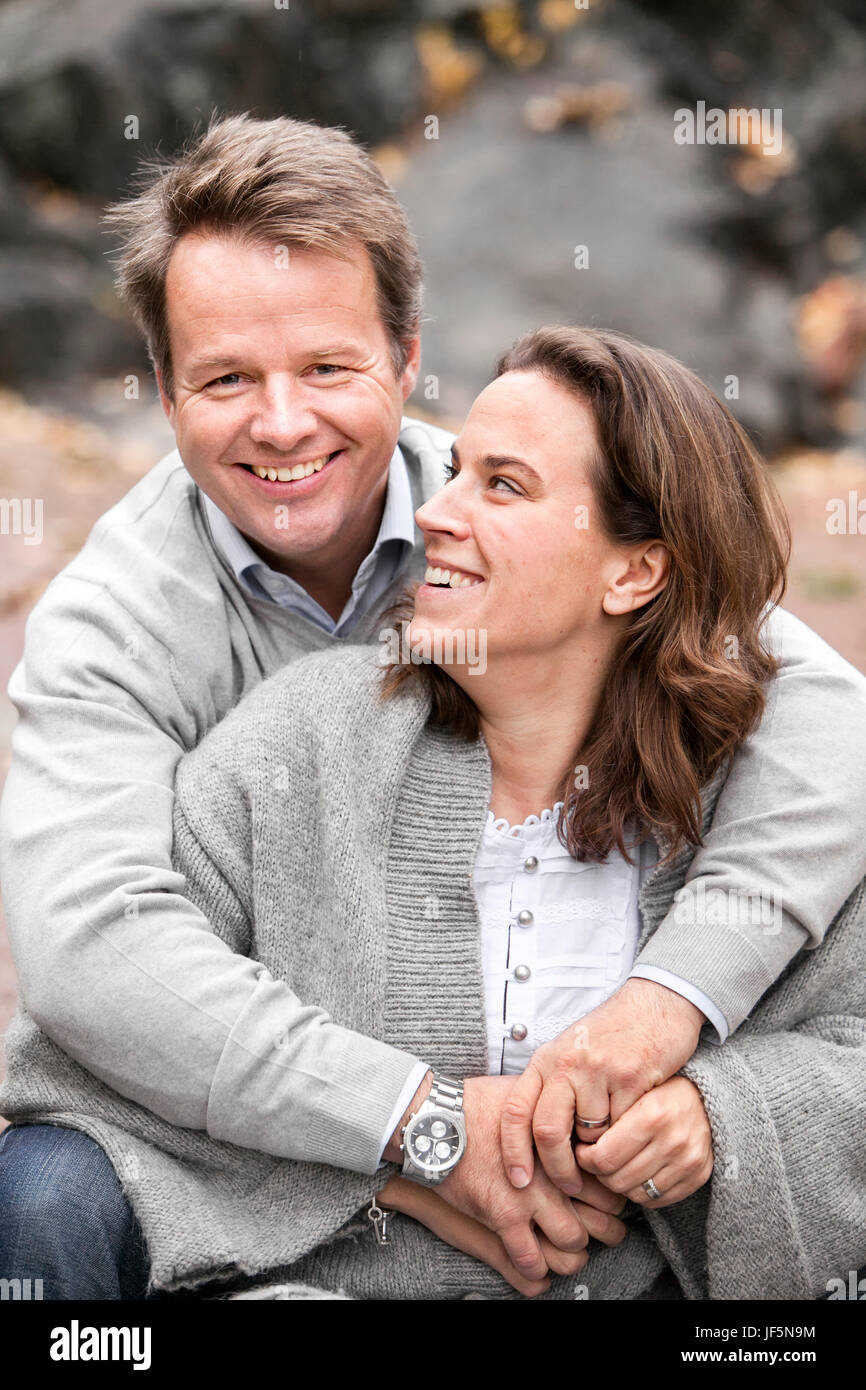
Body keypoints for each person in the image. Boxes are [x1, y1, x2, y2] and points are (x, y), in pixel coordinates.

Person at [0, 114, 865, 1299]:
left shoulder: (503, 520)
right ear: (160, 390)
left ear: (408, 359)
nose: (283, 422)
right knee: (42, 1197)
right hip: (276, 1124)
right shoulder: (114, 628)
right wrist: (416, 1131)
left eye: (327, 367)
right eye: (224, 378)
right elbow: (93, 958)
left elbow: (814, 708)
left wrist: (666, 1006)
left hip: (536, 1131)